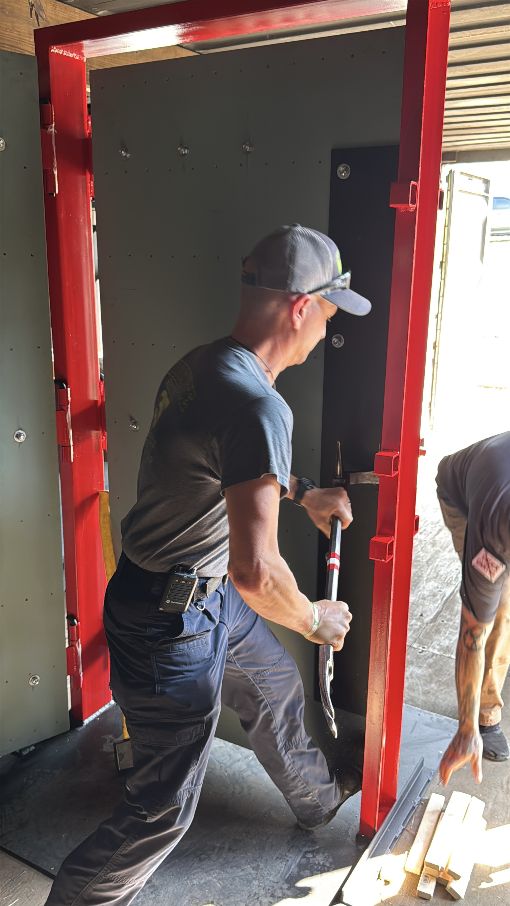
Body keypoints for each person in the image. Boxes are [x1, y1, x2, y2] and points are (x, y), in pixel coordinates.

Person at [46, 224, 371, 905]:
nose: (332, 322)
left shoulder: (204, 367)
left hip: (188, 593)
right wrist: (315, 618)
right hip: (176, 624)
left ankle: (315, 798)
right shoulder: (261, 405)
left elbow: (218, 463)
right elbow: (258, 572)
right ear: (300, 307)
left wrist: (304, 493)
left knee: (273, 681)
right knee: (161, 811)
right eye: (333, 307)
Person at [436, 432, 510, 786]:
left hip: (494, 473)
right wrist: (466, 728)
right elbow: (472, 636)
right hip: (460, 498)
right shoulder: (494, 536)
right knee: (498, 610)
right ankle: (486, 711)